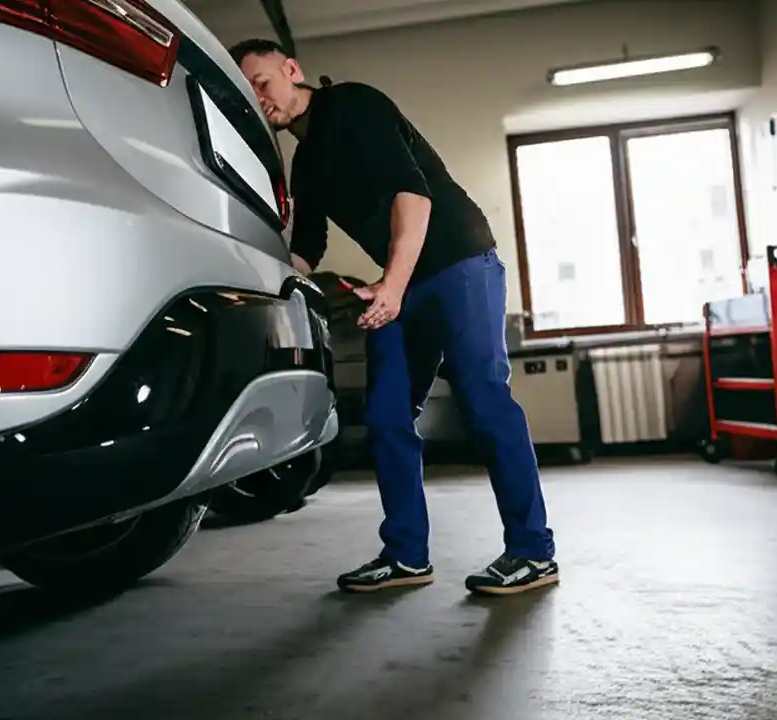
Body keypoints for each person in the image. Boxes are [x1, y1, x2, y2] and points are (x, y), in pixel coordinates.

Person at [230, 39, 557, 596]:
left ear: (292, 70)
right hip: (401, 283)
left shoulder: (354, 105)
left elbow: (416, 194)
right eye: (248, 93)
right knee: (385, 417)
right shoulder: (304, 163)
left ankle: (532, 551)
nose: (260, 99)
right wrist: (269, 281)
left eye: (262, 82)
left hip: (459, 261)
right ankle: (407, 554)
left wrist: (392, 286)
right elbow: (308, 241)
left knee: (483, 398)